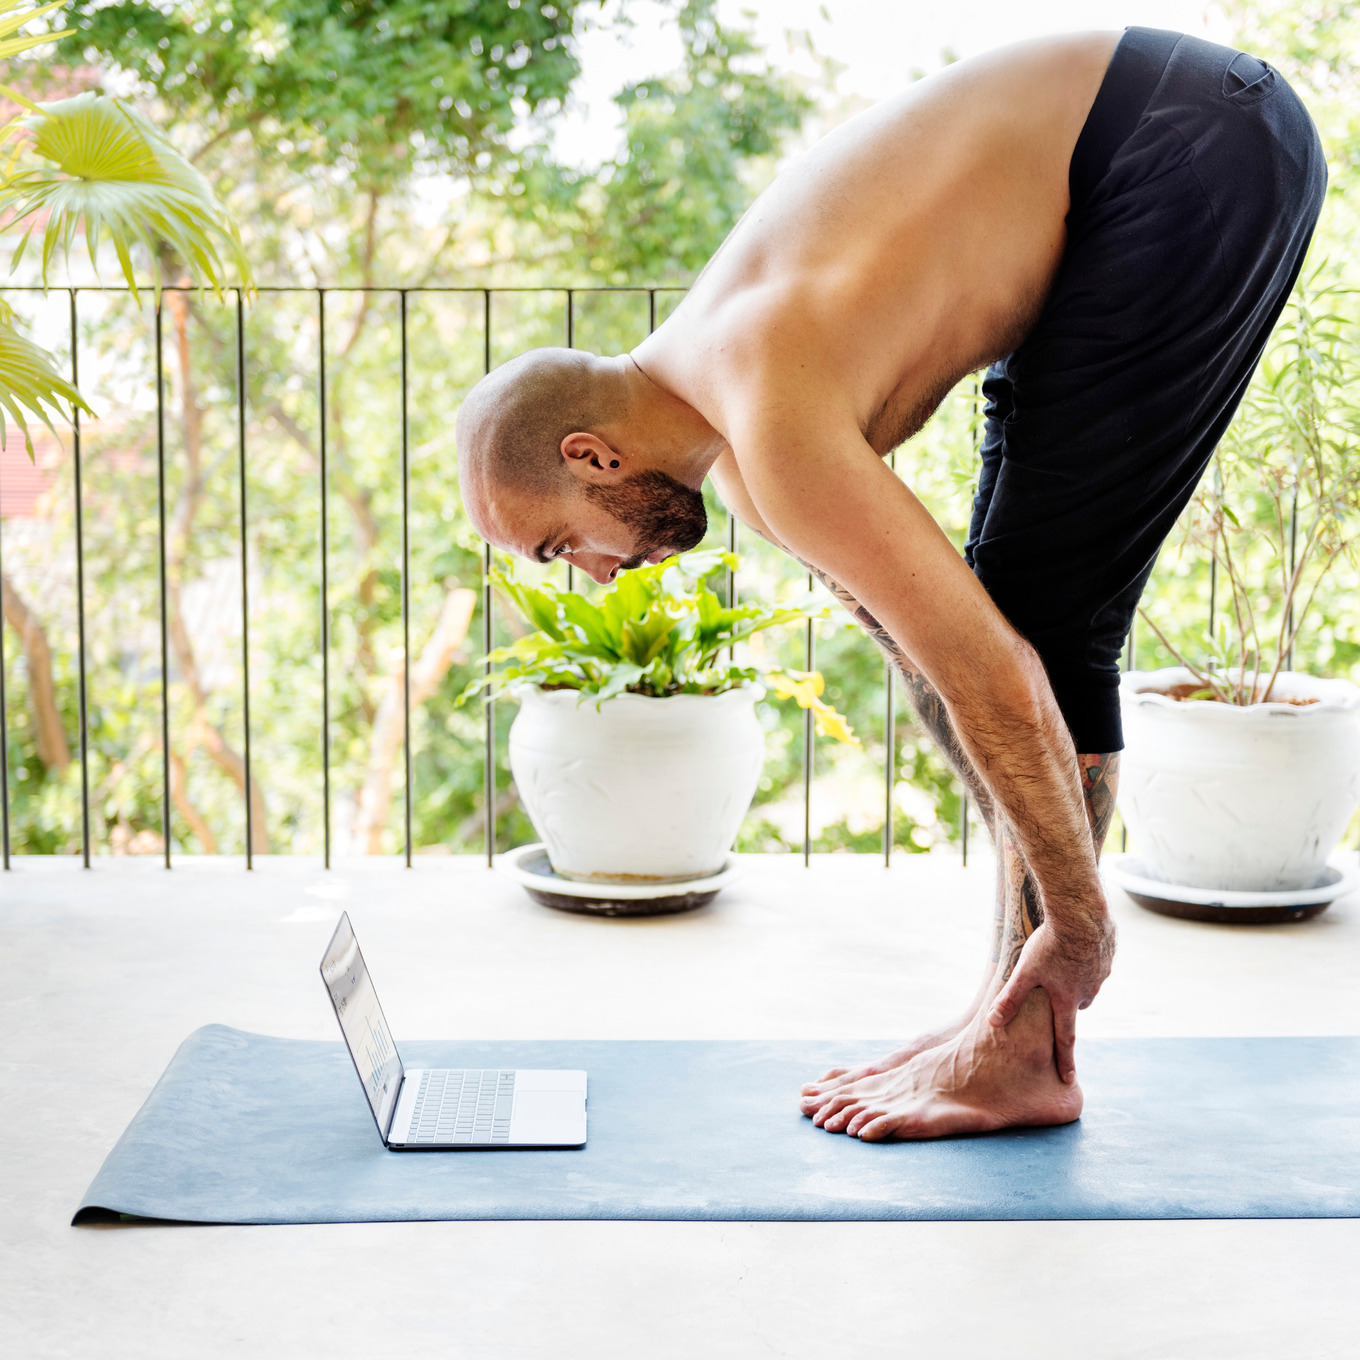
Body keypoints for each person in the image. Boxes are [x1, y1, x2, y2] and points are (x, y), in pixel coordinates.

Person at [455, 28, 1326, 1139]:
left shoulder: (767, 415)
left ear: (589, 457)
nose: (585, 578)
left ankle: (1025, 1044)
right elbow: (935, 657)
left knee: (1048, 621)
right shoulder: (737, 434)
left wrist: (1078, 915)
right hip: (1149, 159)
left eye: (556, 545)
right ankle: (1006, 1017)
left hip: (1188, 141)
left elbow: (1003, 674)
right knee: (1006, 610)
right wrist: (1040, 881)